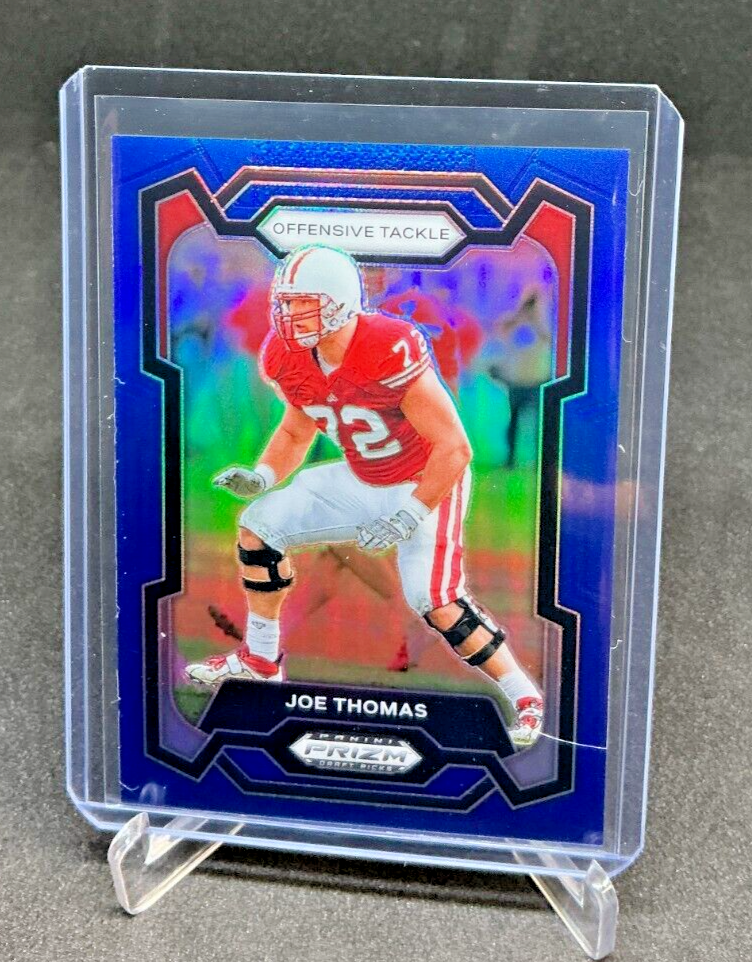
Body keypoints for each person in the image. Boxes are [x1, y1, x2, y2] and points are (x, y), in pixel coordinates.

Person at [186, 244, 543, 749]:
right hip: (363, 476)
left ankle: (524, 696)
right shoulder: (288, 355)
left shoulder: (386, 345)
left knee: (435, 601)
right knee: (258, 525)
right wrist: (262, 477)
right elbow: (295, 430)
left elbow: (454, 448)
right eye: (286, 302)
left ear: (339, 303)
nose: (289, 314)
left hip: (425, 479)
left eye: (303, 303)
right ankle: (262, 661)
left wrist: (408, 515)